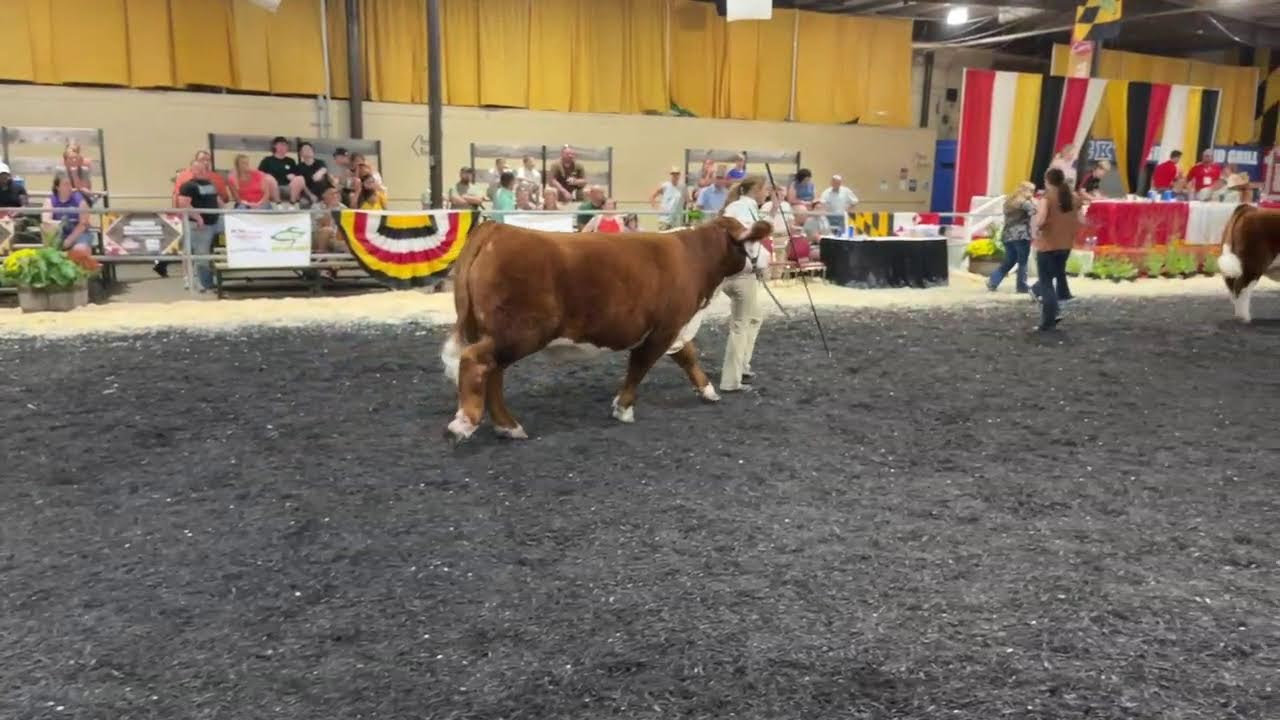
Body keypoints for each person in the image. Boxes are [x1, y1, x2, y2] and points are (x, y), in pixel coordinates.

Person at [718, 175, 770, 393]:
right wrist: (760, 265)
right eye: (765, 189)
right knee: (740, 325)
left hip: (726, 272)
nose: (766, 193)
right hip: (742, 274)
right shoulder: (747, 210)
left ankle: (743, 365)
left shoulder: (733, 207)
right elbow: (750, 240)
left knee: (756, 315)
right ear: (757, 189)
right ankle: (731, 381)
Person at [1030, 168, 1080, 332]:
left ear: (1048, 181)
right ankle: (1051, 308)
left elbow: (1041, 219)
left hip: (1048, 244)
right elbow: (1079, 218)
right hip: (1065, 244)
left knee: (1046, 284)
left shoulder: (1047, 198)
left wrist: (1036, 225)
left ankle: (1048, 320)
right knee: (1052, 277)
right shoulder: (1074, 197)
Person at [175, 158, 224, 292]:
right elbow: (183, 203)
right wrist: (198, 218)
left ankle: (209, 280)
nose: (202, 171)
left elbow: (217, 200)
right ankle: (204, 283)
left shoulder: (210, 184)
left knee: (206, 252)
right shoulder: (188, 186)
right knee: (201, 254)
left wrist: (223, 212)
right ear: (193, 171)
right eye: (199, 169)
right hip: (200, 225)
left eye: (204, 168)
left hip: (214, 222)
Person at [987, 182, 1035, 294]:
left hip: (1007, 234)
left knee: (1009, 260)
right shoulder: (1024, 203)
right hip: (1021, 234)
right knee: (1022, 261)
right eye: (1031, 190)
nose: (1032, 193)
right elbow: (1034, 211)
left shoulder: (1009, 202)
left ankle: (993, 281)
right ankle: (1021, 286)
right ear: (1025, 190)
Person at [41, 173, 91, 251]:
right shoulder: (50, 201)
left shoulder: (80, 200)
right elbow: (46, 222)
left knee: (80, 249)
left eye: (70, 184)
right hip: (59, 233)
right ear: (57, 187)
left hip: (79, 233)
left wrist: (69, 241)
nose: (69, 187)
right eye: (65, 184)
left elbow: (83, 223)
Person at [258, 136, 304, 205]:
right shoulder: (267, 160)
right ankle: (278, 203)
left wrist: (293, 177)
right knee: (269, 179)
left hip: (287, 187)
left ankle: (292, 203)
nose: (283, 147)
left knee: (300, 179)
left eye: (285, 145)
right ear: (275, 146)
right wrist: (269, 177)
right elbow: (259, 175)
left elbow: (297, 175)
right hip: (273, 189)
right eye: (281, 144)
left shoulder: (291, 161)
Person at [312, 186, 348, 255]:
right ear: (324, 195)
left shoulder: (343, 207)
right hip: (318, 235)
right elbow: (324, 224)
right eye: (332, 194)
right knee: (327, 230)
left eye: (337, 193)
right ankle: (321, 256)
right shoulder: (316, 206)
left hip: (335, 236)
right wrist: (331, 207)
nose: (335, 196)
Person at [295, 142, 330, 206]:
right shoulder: (299, 167)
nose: (308, 151)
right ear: (301, 154)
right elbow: (302, 184)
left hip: (322, 191)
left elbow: (324, 169)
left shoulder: (320, 162)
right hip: (309, 192)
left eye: (310, 149)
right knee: (303, 203)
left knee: (320, 178)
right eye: (305, 150)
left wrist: (319, 173)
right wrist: (311, 195)